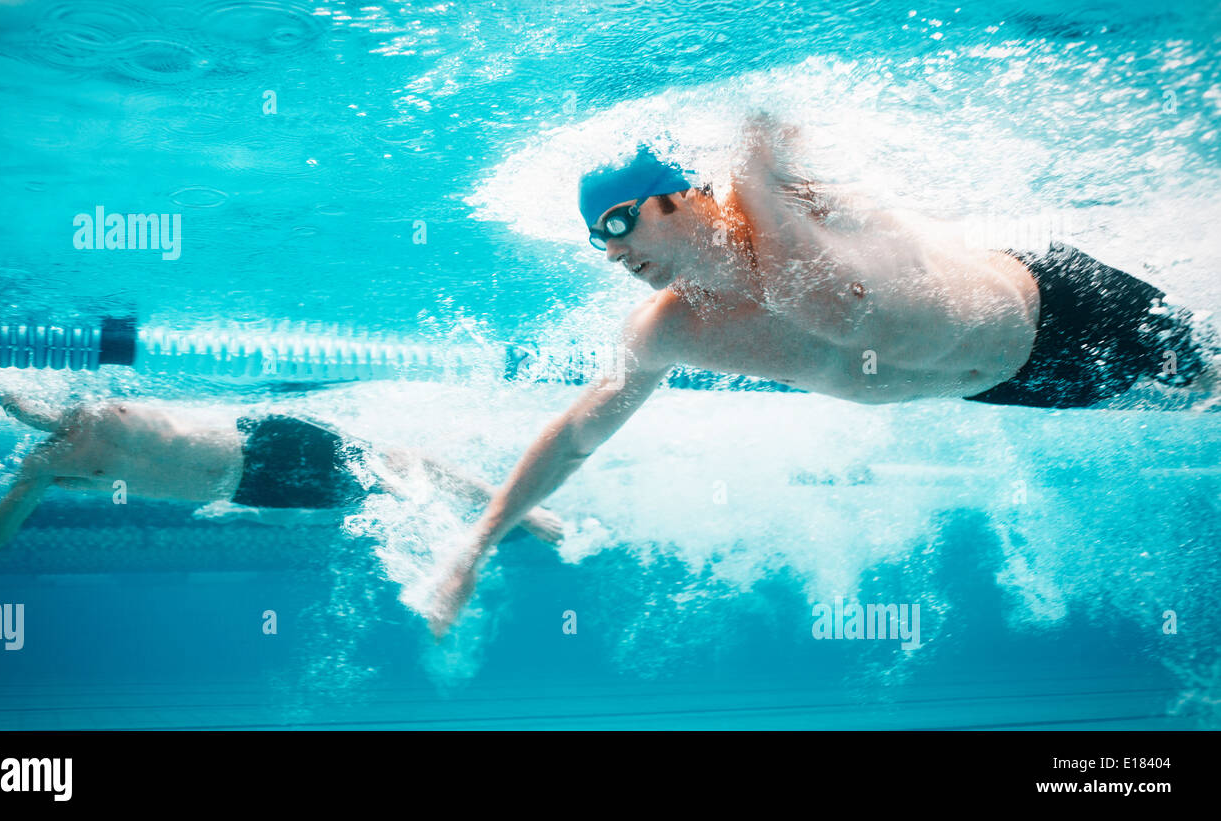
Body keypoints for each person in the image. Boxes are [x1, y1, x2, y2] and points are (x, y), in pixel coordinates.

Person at [424, 113, 1220, 635]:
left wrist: (758, 149)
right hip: (1021, 382)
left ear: (681, 195)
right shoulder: (675, 329)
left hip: (1064, 305)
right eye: (596, 239)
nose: (613, 249)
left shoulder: (784, 203)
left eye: (620, 219)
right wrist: (476, 544)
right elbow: (574, 433)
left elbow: (775, 129)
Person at [0, 390, 564, 596]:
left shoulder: (81, 421)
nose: (18, 411)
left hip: (260, 448)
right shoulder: (45, 463)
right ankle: (509, 515)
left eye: (21, 404)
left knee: (394, 473)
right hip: (252, 479)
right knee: (388, 484)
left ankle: (519, 511)